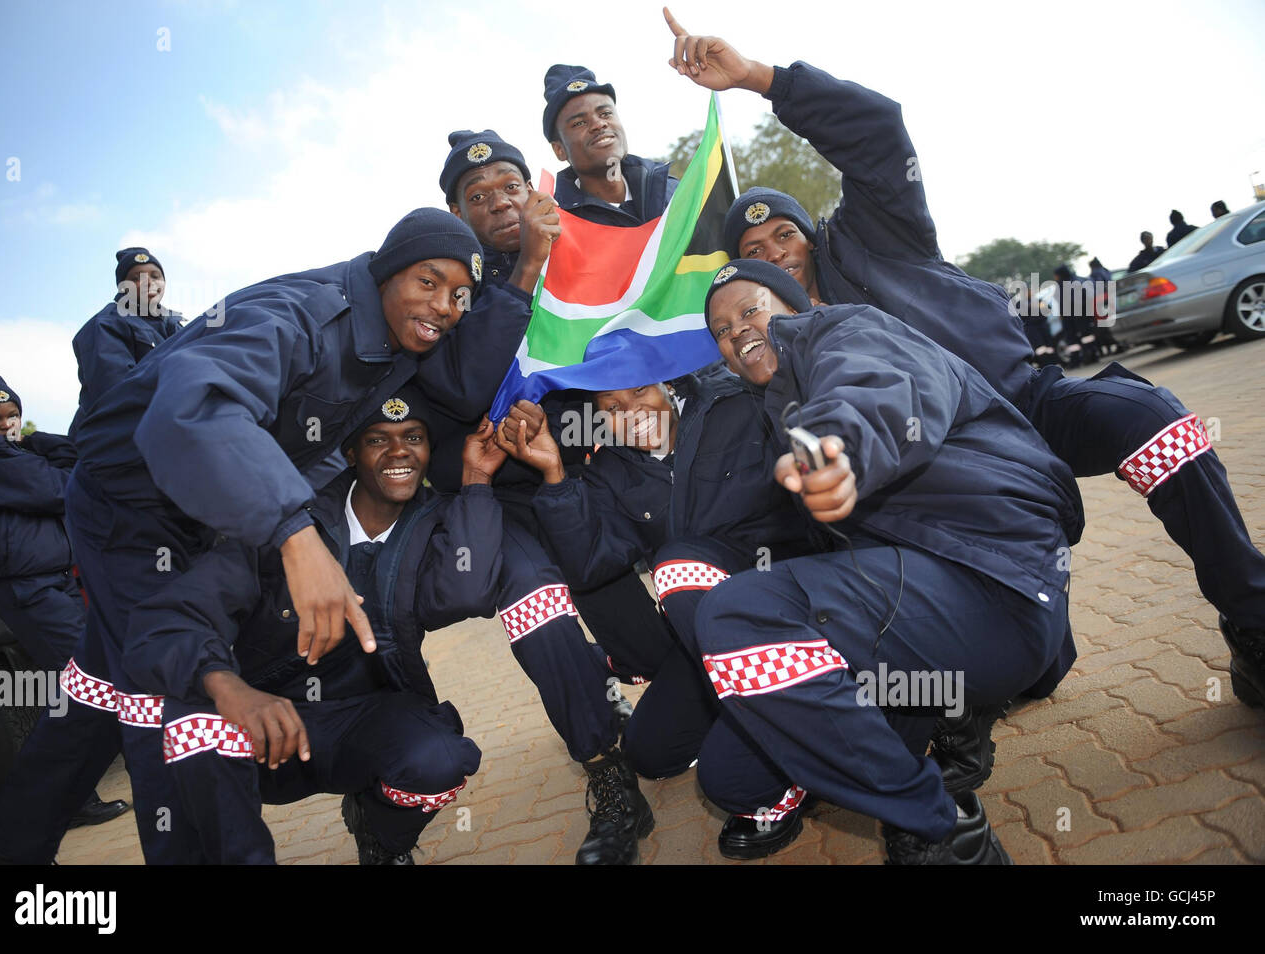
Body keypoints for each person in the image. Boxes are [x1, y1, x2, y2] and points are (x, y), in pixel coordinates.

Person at [664, 11, 1265, 715]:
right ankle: (973, 701)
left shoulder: (871, 240)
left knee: (1157, 422)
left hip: (1022, 404)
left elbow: (878, 134)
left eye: (785, 234)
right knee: (923, 589)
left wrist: (760, 78)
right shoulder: (771, 353)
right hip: (936, 473)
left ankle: (1252, 625)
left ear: (812, 233)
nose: (776, 255)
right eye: (755, 255)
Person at [0, 208, 508, 865]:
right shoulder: (294, 314)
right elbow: (191, 411)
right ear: (390, 269)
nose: (445, 306)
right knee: (170, 697)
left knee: (96, 693)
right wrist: (292, 532)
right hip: (130, 510)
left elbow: (318, 443)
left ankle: (6, 848)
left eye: (459, 296)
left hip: (210, 506)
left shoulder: (391, 344)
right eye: (429, 281)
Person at [694, 258, 1082, 864]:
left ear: (796, 308)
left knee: (737, 619)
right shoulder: (779, 410)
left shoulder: (846, 331)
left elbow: (876, 390)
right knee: (731, 781)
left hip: (992, 587)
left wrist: (839, 449)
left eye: (750, 310)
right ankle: (934, 726)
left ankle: (940, 825)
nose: (736, 331)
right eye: (720, 329)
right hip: (917, 620)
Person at [119, 391, 502, 864]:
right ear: (350, 453)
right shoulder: (286, 528)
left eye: (414, 438)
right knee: (193, 725)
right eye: (378, 439)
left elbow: (468, 592)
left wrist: (479, 480)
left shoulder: (431, 522)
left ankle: (379, 836)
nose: (399, 451)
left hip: (364, 716)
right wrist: (229, 688)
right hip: (264, 719)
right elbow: (168, 621)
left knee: (439, 760)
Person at [437, 129, 659, 864]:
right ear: (456, 214)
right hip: (505, 499)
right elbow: (466, 384)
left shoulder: (580, 249)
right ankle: (609, 774)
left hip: (580, 475)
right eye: (478, 197)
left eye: (509, 186)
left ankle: (648, 681)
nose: (499, 202)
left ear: (533, 190)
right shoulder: (450, 285)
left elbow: (626, 334)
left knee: (639, 635)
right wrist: (528, 263)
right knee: (543, 622)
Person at [498, 367, 818, 860]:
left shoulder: (737, 409)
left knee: (679, 569)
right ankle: (742, 708)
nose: (632, 411)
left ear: (667, 384)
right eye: (612, 406)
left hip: (797, 606)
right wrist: (554, 473)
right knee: (651, 752)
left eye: (640, 390)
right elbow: (587, 563)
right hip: (710, 636)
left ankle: (800, 738)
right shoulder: (611, 469)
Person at [0, 375, 129, 830]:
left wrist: (34, 441)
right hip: (29, 590)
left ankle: (64, 801)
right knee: (89, 686)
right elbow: (62, 488)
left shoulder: (16, 453)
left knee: (69, 693)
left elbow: (75, 456)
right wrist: (33, 452)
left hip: (54, 584)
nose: (5, 425)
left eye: (12, 416)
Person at [542, 64, 677, 226]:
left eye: (605, 114)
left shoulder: (673, 191)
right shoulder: (556, 226)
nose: (599, 124)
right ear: (559, 149)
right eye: (579, 123)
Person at [70, 247, 183, 438]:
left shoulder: (176, 326)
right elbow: (116, 393)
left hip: (165, 427)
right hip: (114, 441)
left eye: (155, 276)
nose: (149, 282)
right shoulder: (105, 324)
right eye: (136, 278)